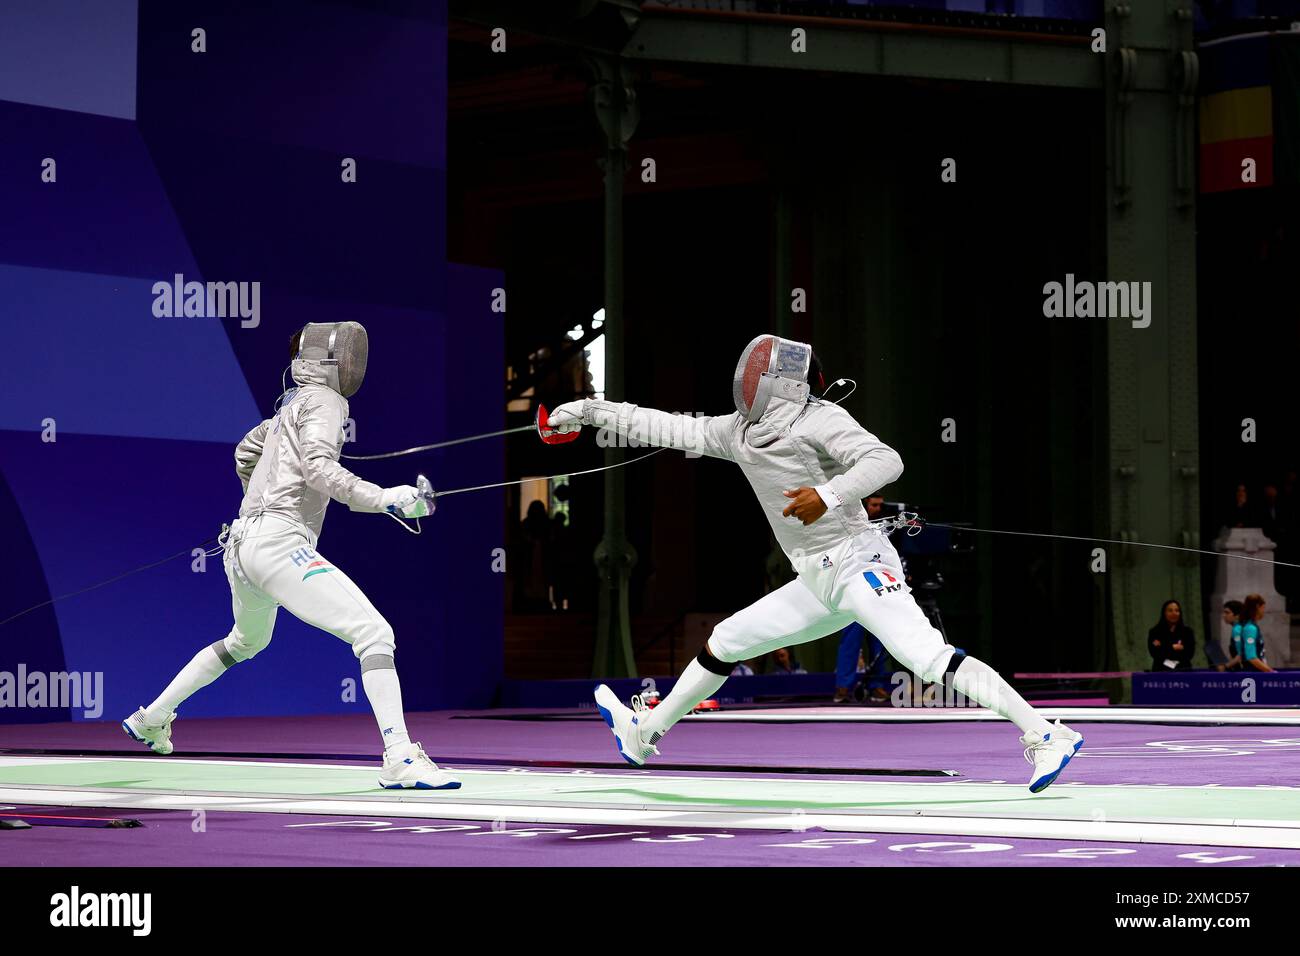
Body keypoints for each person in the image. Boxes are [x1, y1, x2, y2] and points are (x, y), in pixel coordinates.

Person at [550, 333, 1084, 792]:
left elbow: (886, 460)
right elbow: (659, 425)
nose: (748, 381)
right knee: (726, 642)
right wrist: (583, 410)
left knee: (925, 658)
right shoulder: (734, 432)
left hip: (859, 562)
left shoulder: (820, 417)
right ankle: (645, 734)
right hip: (816, 579)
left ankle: (1046, 734)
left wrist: (826, 496)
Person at [121, 323, 459, 790]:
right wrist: (385, 498)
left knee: (245, 641)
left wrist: (257, 508)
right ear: (330, 361)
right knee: (374, 632)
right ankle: (400, 756)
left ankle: (151, 718)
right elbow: (320, 470)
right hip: (278, 543)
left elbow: (244, 453)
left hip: (241, 546)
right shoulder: (326, 401)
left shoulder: (287, 408)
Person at [1227, 593, 1275, 672]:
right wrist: (1270, 671)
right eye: (1263, 608)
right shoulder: (1250, 628)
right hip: (1252, 674)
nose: (1264, 611)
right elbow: (1251, 657)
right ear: (1257, 607)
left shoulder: (1251, 626)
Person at [1147, 599, 1195, 671]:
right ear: (1164, 613)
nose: (1174, 613)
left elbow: (1189, 653)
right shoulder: (1155, 632)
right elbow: (1155, 653)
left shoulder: (1187, 632)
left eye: (1177, 610)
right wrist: (1173, 647)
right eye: (1170, 611)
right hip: (1161, 671)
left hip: (1183, 670)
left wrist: (1163, 647)